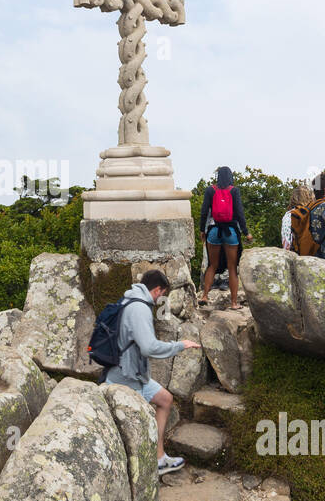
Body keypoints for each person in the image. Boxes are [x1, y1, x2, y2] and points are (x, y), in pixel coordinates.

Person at [105, 269, 201, 475]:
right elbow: (148, 347)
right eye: (162, 295)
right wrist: (179, 345)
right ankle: (141, 471)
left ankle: (159, 458)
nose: (161, 300)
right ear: (157, 290)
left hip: (132, 373)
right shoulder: (139, 308)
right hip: (127, 378)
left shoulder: (129, 300)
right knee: (135, 426)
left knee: (165, 400)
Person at [199, 166, 251, 307]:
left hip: (214, 230)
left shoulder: (210, 190)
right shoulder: (234, 191)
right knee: (232, 267)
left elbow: (204, 211)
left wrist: (202, 230)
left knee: (212, 265)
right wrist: (246, 232)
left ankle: (204, 296)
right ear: (230, 177)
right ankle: (234, 303)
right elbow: (239, 213)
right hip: (231, 231)